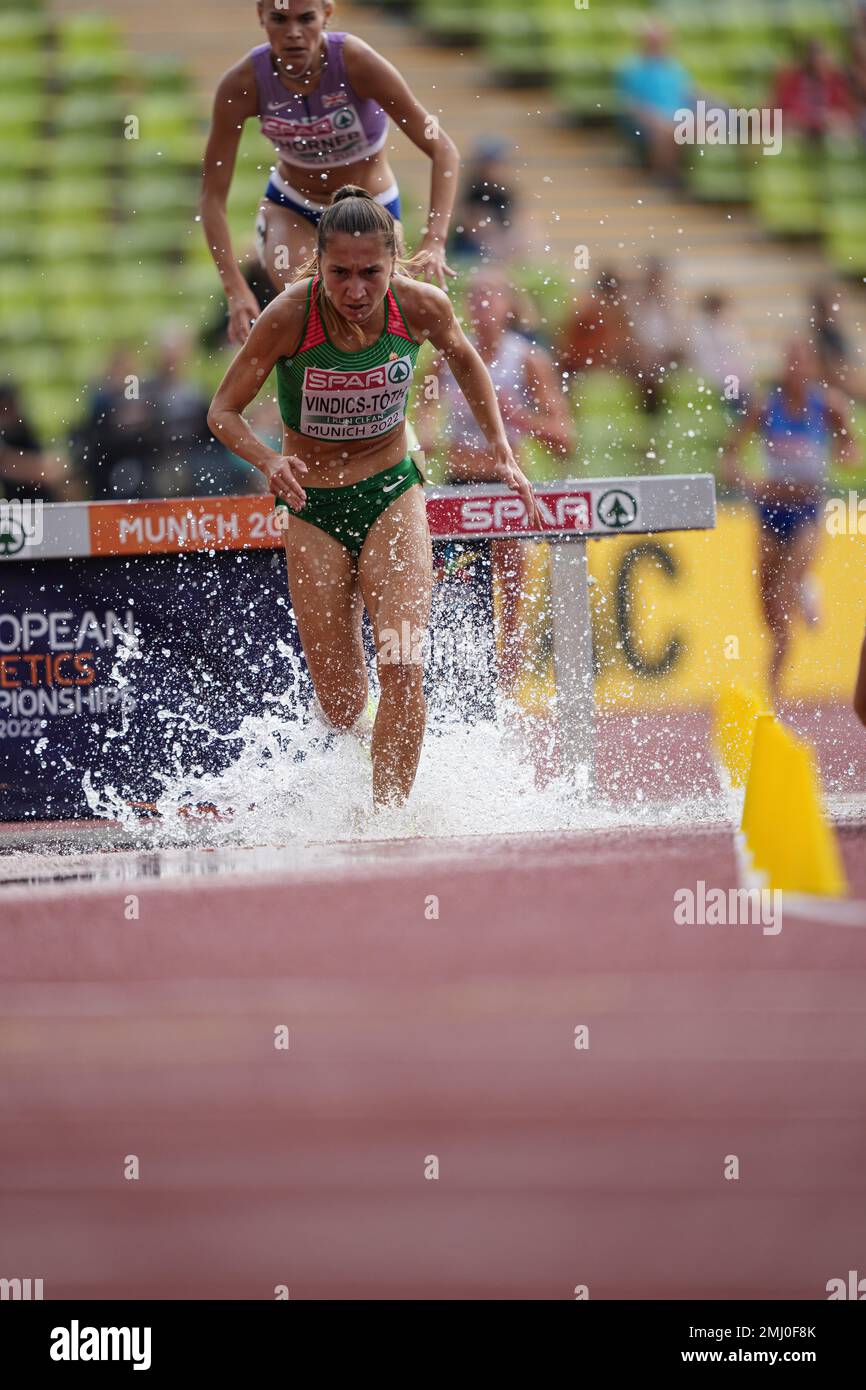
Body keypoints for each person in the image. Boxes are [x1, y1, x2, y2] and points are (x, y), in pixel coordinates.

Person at [207, 187, 541, 808]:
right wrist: (269, 458)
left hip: (393, 492)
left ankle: (389, 823)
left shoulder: (420, 307)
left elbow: (467, 363)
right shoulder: (287, 316)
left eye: (370, 274)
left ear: (394, 265)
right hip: (314, 507)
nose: (356, 291)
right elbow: (222, 411)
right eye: (340, 274)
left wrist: (500, 448)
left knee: (403, 661)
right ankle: (366, 758)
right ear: (319, 265)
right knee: (339, 703)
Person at [200, 0, 460, 346]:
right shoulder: (242, 84)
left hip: (371, 208)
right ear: (261, 17)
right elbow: (212, 198)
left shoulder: (357, 63)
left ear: (327, 14)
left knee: (377, 321)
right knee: (307, 311)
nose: (293, 34)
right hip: (293, 205)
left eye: (306, 19)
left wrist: (435, 239)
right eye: (279, 19)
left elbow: (443, 149)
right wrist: (235, 289)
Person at [416, 267, 573, 696]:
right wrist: (425, 438)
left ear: (509, 306)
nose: (482, 306)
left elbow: (565, 438)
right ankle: (456, 680)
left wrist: (518, 418)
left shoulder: (526, 359)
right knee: (450, 588)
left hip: (507, 487)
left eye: (492, 297)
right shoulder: (446, 356)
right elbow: (422, 419)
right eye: (476, 297)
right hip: (459, 483)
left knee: (510, 594)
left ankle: (509, 689)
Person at [722, 338, 858, 704]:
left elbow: (851, 447)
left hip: (807, 510)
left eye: (803, 363)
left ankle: (774, 690)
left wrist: (844, 455)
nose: (796, 370)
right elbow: (731, 455)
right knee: (768, 605)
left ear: (813, 369)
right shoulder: (766, 406)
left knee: (788, 581)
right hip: (770, 511)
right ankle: (779, 658)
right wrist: (746, 481)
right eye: (790, 362)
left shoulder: (828, 405)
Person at [617, 24, 693, 184]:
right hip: (649, 116)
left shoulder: (674, 66)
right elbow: (631, 101)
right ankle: (665, 174)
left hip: (678, 113)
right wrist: (651, 116)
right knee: (664, 128)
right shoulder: (632, 67)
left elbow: (687, 92)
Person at [0, 382, 65, 502]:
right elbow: (5, 463)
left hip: (39, 500)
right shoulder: (7, 434)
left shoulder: (23, 430)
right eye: (6, 408)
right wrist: (43, 470)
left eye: (13, 406)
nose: (12, 412)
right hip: (13, 505)